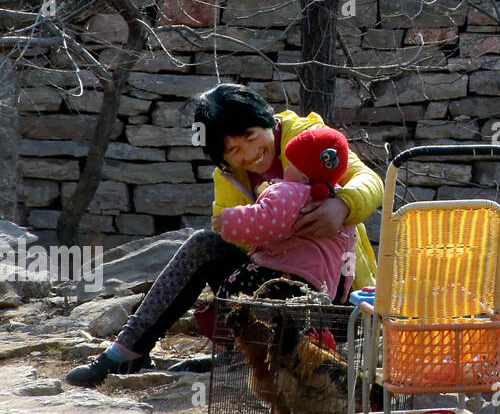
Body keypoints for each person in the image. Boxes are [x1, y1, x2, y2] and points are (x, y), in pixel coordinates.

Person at [67, 83, 381, 387]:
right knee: (203, 245)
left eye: (249, 136)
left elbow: (368, 179)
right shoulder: (229, 178)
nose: (249, 153)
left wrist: (342, 205)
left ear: (266, 122)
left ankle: (251, 354)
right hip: (277, 287)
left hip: (337, 300)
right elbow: (242, 246)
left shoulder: (306, 139)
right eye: (233, 149)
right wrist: (266, 222)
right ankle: (129, 349)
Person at [211, 126, 357, 301]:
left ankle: (214, 319)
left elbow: (264, 222)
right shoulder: (338, 202)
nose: (285, 170)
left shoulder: (291, 193)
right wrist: (341, 294)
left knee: (230, 290)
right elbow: (348, 254)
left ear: (303, 176)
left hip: (281, 274)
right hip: (321, 288)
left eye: (290, 165)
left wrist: (230, 222)